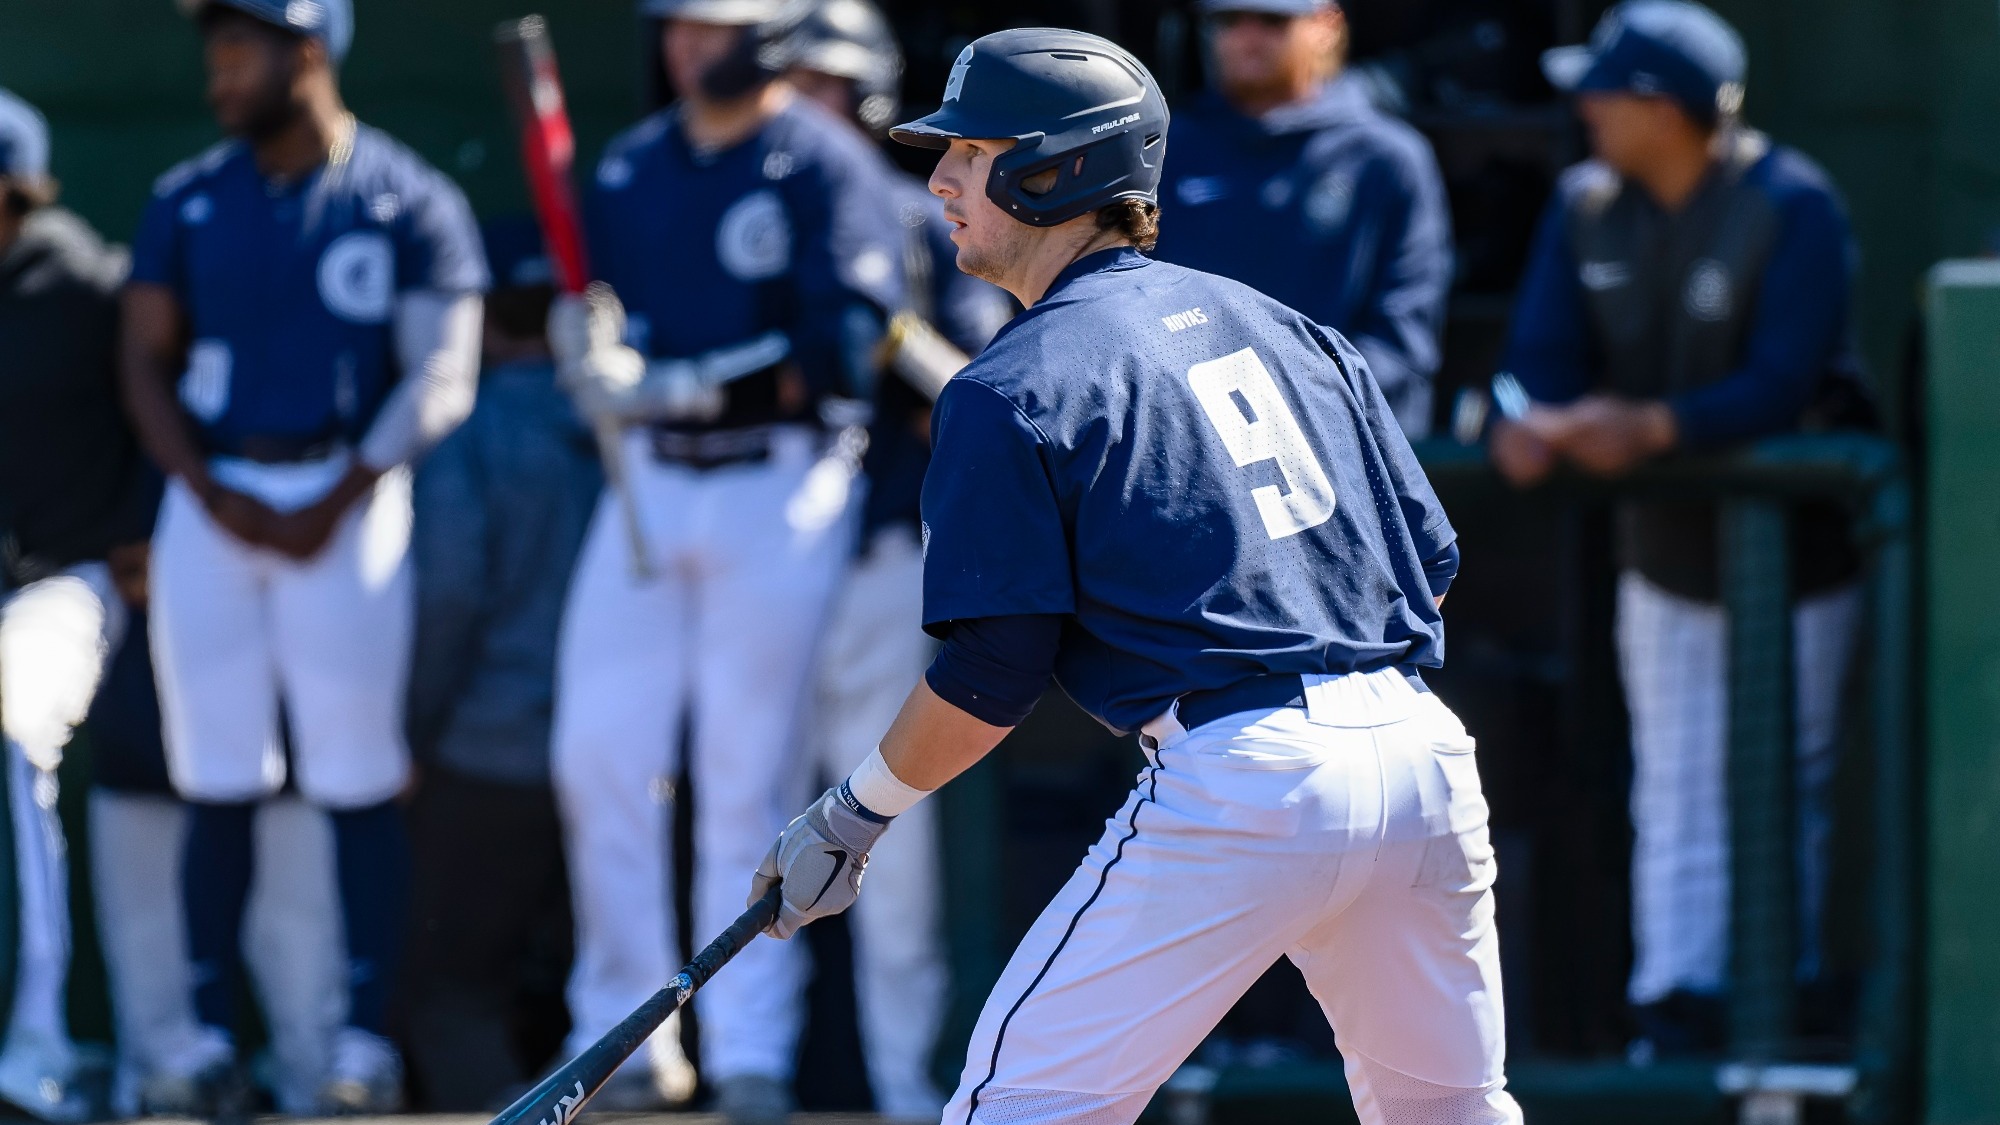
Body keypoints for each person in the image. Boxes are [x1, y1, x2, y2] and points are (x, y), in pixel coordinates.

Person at [713, 28, 1521, 1125]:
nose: (941, 178)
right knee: (1451, 1117)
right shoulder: (1294, 330)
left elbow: (993, 674)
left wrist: (854, 811)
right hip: (1421, 755)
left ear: (1059, 171)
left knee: (1013, 1111)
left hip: (1242, 772)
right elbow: (1427, 566)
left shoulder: (1005, 387)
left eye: (973, 151)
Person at [117, 0, 487, 1112]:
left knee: (355, 774)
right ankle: (206, 1042)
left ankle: (361, 1046)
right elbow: (142, 360)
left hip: (350, 493)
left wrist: (344, 490)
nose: (220, 72)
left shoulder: (409, 195)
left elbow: (442, 375)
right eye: (215, 48)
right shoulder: (187, 196)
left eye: (241, 47)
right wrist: (200, 483)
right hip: (215, 495)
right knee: (216, 774)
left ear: (308, 49)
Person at [1488, 0, 1866, 1058]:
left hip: (1798, 557)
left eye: (1604, 90)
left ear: (1660, 107)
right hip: (1662, 550)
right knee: (1674, 782)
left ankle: (1768, 1005)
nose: (1586, 108)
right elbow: (1538, 355)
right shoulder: (1585, 200)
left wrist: (1657, 423)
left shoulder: (1789, 201)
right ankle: (1676, 1007)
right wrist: (1527, 419)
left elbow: (1788, 382)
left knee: (1783, 780)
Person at [547, 1, 900, 1120]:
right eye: (677, 25)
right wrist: (588, 347)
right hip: (651, 478)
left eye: (716, 24)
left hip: (781, 479)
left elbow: (837, 353)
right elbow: (604, 302)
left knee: (745, 775)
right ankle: (627, 1035)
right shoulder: (632, 165)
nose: (691, 44)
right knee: (595, 751)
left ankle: (748, 1044)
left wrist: (675, 381)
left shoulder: (824, 161)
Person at [783, 3, 1013, 1119]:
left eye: (828, 91)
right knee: (733, 815)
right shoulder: (727, 192)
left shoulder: (915, 216)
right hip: (752, 547)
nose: (806, 114)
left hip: (874, 550)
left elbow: (975, 380)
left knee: (875, 835)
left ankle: (898, 1091)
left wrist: (894, 338)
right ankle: (743, 1073)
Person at [401, 220, 599, 1111]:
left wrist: (415, 730)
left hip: (490, 757)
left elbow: (448, 596)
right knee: (599, 997)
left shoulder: (473, 432)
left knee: (452, 994)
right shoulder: (625, 427)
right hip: (615, 763)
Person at [0, 87, 156, 1123]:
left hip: (72, 577)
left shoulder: (91, 284)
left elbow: (166, 411)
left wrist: (145, 532)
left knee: (8, 723)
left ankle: (35, 1041)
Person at [86, 593, 346, 1117]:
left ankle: (313, 1099)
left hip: (279, 742)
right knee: (155, 1003)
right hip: (141, 739)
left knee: (303, 986)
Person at [1151, 0, 1453, 436]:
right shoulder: (1167, 150)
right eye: (1229, 21)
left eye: (1273, 21)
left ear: (1326, 25)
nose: (1247, 38)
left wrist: (1281, 402)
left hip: (1345, 435)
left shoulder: (1386, 157)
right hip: (1188, 431)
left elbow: (1402, 340)